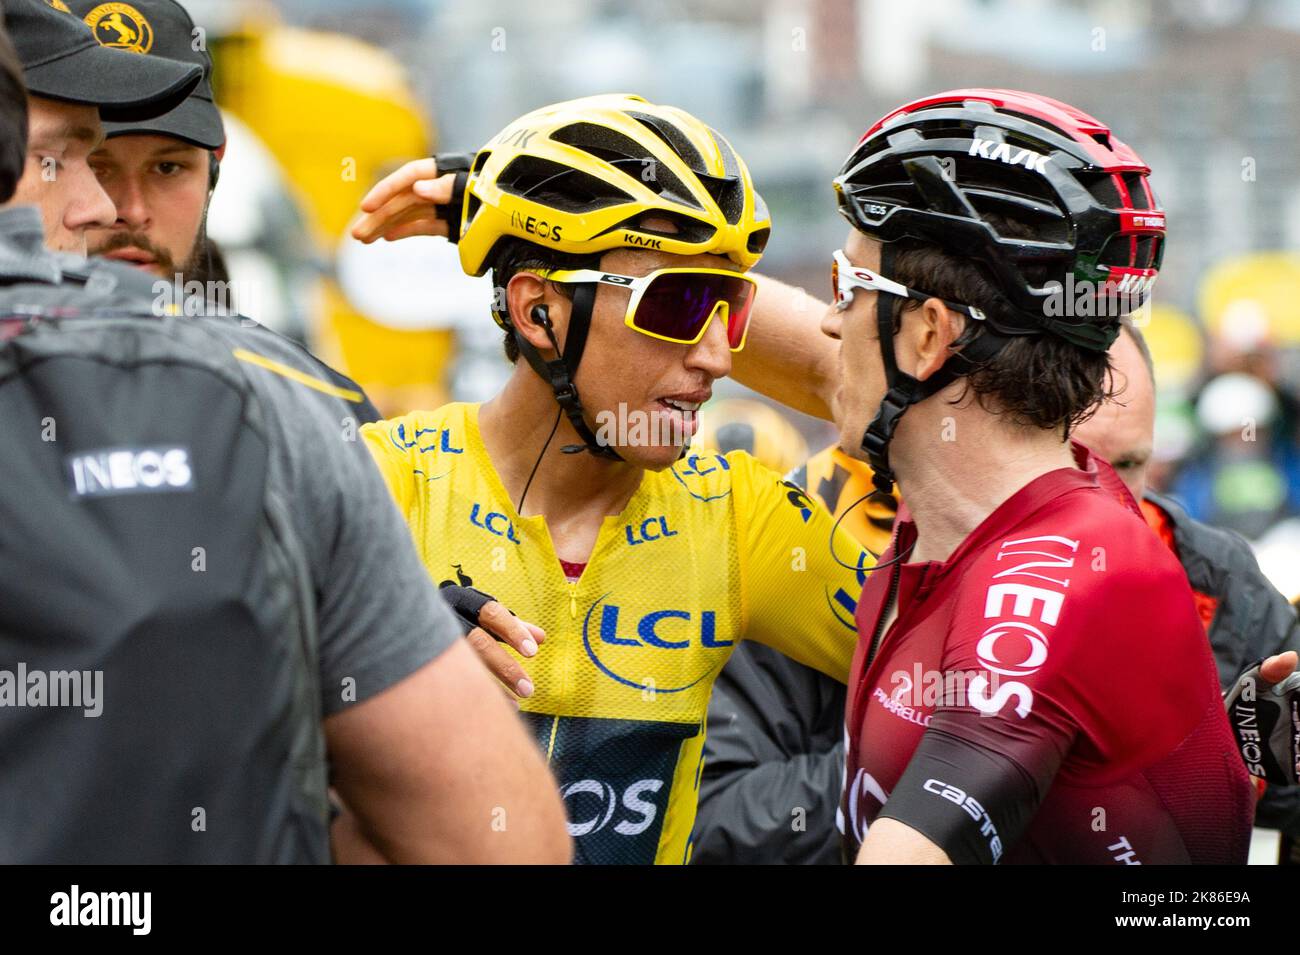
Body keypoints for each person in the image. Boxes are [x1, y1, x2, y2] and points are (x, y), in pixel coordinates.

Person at [0, 5, 569, 864]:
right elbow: (494, 840)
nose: (114, 206)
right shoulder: (270, 403)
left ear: (218, 173)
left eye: (167, 166)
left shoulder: (303, 404)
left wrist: (380, 638)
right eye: (73, 158)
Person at [351, 94, 870, 865]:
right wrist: (380, 658)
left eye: (731, 310)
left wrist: (516, 221)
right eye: (680, 304)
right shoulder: (376, 479)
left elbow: (872, 388)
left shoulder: (735, 515)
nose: (720, 359)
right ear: (538, 312)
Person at [692, 321, 1300, 863]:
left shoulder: (1209, 576)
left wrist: (1209, 753)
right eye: (1072, 464)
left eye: (1130, 467)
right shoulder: (826, 543)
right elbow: (719, 820)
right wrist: (945, 741)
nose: (1102, 500)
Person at [63, 0, 226, 284]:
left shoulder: (236, 321)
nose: (133, 212)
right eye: (93, 169)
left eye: (167, 167)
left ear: (215, 162)